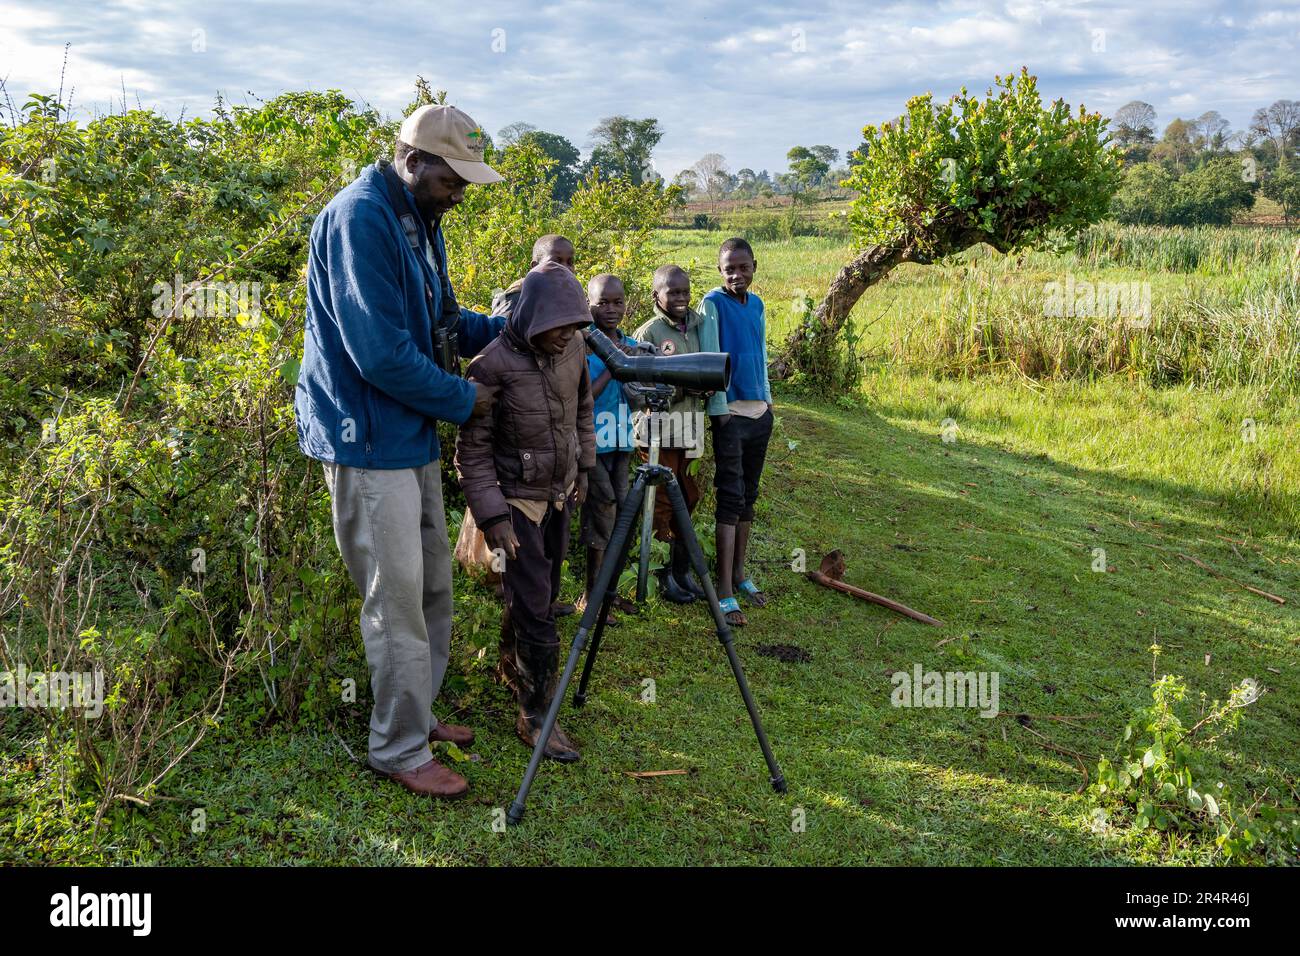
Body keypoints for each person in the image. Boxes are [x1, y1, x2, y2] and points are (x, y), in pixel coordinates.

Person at [295, 103, 505, 800]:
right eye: (452, 180)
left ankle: (418, 710)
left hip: (408, 429)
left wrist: (510, 328)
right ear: (412, 161)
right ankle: (397, 746)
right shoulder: (360, 219)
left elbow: (444, 318)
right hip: (366, 434)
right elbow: (380, 354)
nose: (460, 195)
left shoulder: (421, 220)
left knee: (432, 585)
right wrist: (461, 399)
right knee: (395, 601)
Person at [455, 261, 595, 763]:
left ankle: (512, 668)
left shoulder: (573, 347)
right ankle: (536, 715)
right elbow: (471, 454)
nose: (566, 337)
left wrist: (584, 464)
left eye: (573, 327)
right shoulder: (489, 366)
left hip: (558, 491)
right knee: (537, 606)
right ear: (534, 317)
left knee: (543, 591)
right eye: (558, 328)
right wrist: (492, 518)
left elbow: (582, 407)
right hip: (516, 501)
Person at [699, 238, 774, 626]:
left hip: (759, 414)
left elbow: (760, 355)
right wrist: (719, 412)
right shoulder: (712, 304)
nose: (736, 274)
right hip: (730, 415)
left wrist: (769, 403)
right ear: (719, 270)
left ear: (754, 267)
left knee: (749, 495)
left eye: (743, 267)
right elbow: (711, 360)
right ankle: (724, 590)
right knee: (730, 497)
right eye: (729, 268)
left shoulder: (758, 305)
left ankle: (740, 574)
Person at [632, 265, 716, 604]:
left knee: (688, 496)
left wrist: (706, 388)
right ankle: (660, 574)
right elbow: (640, 387)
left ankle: (681, 570)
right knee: (662, 503)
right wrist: (684, 385)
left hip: (690, 429)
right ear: (657, 296)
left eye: (685, 292)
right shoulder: (649, 333)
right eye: (673, 293)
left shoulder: (698, 327)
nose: (681, 298)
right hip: (660, 432)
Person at [578, 274, 639, 625]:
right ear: (589, 304)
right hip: (593, 444)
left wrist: (632, 365)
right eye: (602, 302)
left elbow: (639, 397)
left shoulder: (628, 342)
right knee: (602, 512)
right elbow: (585, 399)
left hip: (622, 441)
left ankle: (609, 594)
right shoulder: (584, 346)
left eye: (617, 302)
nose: (611, 309)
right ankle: (591, 596)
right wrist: (616, 366)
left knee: (622, 516)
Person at [489, 234, 576, 319]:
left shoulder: (568, 298)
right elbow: (499, 331)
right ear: (535, 266)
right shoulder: (519, 298)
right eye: (556, 261)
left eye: (570, 262)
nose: (565, 268)